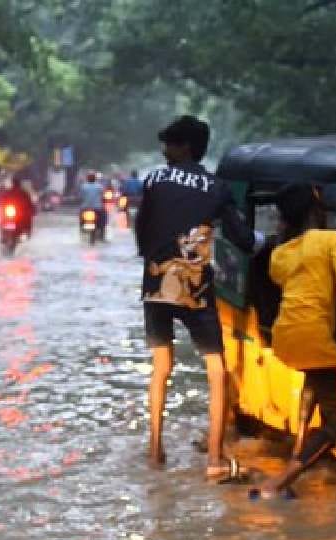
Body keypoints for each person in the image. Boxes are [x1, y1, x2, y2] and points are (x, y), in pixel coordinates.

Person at [135, 115, 261, 481]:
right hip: (196, 289)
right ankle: (215, 460)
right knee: (217, 370)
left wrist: (152, 257)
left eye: (170, 144)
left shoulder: (154, 179)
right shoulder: (216, 187)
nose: (164, 151)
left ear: (184, 147)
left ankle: (156, 450)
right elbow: (241, 237)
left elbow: (142, 229)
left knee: (161, 368)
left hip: (156, 286)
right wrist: (264, 244)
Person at [252, 183, 336, 498]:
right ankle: (280, 483)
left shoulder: (279, 253)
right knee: (334, 426)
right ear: (317, 210)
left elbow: (284, 280)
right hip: (316, 337)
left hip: (286, 334)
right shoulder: (329, 239)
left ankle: (298, 449)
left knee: (315, 382)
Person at [79, 171, 107, 236]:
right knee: (103, 219)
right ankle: (102, 235)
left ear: (87, 178)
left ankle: (82, 229)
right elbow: (103, 197)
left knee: (81, 218)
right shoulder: (99, 186)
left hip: (85, 208)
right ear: (95, 178)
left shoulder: (83, 186)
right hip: (97, 208)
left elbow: (80, 197)